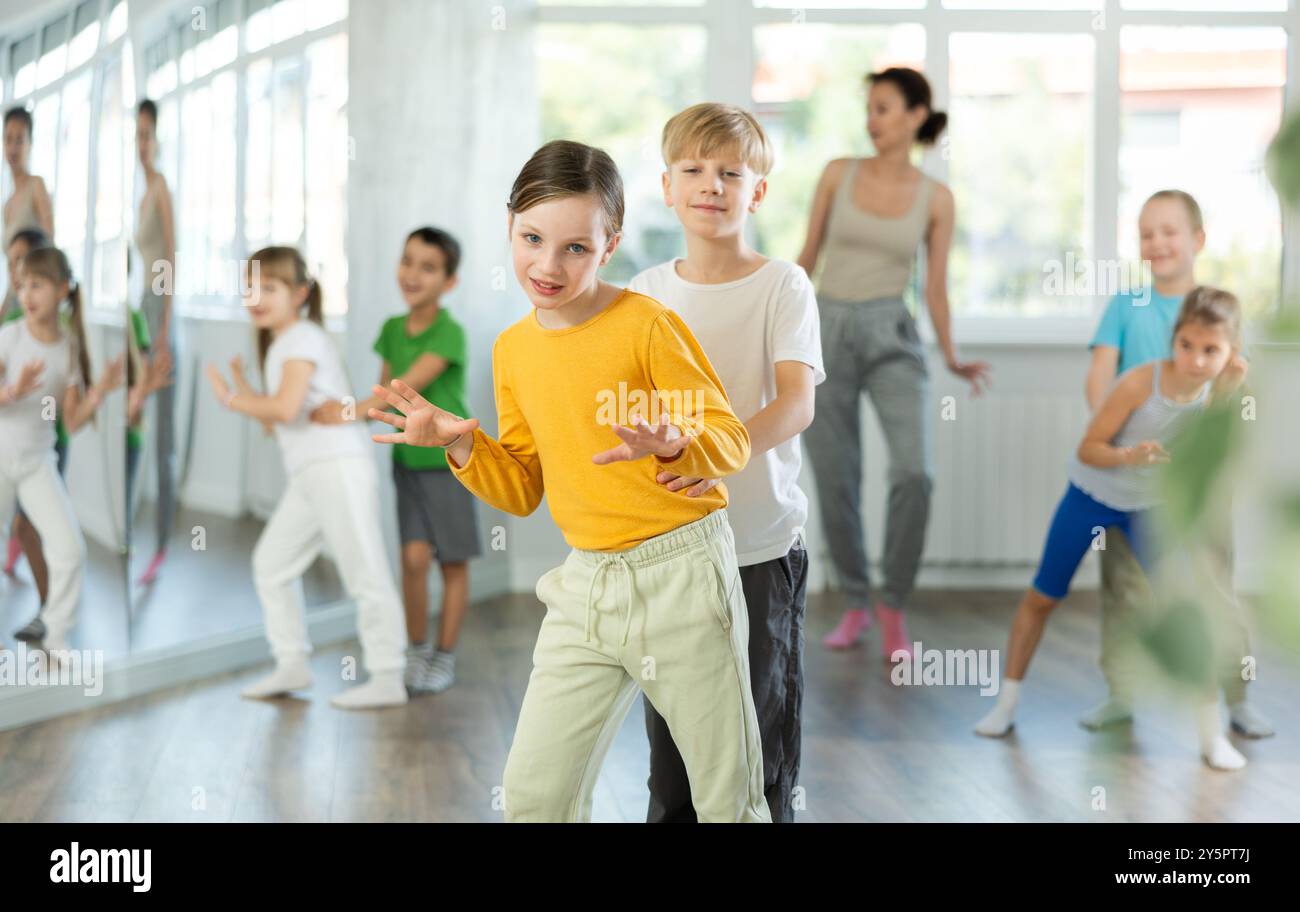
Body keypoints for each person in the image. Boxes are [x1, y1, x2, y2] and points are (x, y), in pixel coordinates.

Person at [369, 140, 769, 822]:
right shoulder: (512, 349)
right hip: (584, 585)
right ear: (509, 227)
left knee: (727, 803)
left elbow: (729, 436)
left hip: (682, 578)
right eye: (532, 239)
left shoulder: (648, 325)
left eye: (576, 248)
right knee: (535, 798)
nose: (547, 266)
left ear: (609, 245)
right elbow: (523, 487)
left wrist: (680, 446)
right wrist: (461, 450)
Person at [628, 103, 823, 822]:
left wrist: (712, 454)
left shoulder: (783, 285)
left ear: (757, 191)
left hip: (758, 546)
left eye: (730, 173)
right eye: (694, 170)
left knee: (757, 743)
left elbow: (797, 403)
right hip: (671, 552)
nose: (712, 185)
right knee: (673, 754)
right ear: (668, 186)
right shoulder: (645, 293)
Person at [797, 67, 990, 659]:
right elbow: (804, 259)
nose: (871, 120)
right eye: (870, 108)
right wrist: (768, 330)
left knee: (915, 472)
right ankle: (856, 602)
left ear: (915, 114)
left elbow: (935, 288)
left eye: (883, 108)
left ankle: (891, 605)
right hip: (825, 327)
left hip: (892, 333)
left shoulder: (938, 198)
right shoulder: (838, 173)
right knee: (836, 476)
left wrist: (952, 356)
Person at [205, 246, 407, 710]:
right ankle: (291, 662)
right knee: (272, 565)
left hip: (335, 466)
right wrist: (245, 389)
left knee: (364, 570)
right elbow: (278, 420)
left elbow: (283, 409)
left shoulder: (301, 339)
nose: (256, 297)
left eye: (269, 287)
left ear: (300, 293)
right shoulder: (284, 343)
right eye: (250, 287)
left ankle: (388, 674)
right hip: (311, 475)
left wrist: (230, 398)